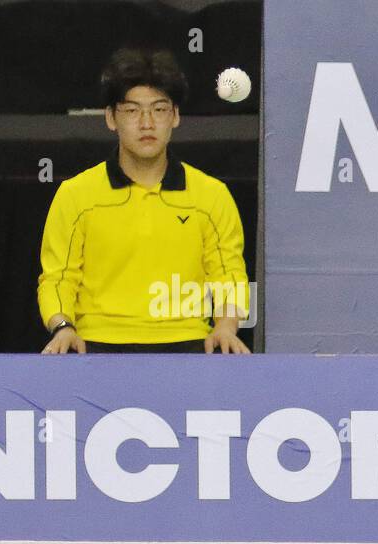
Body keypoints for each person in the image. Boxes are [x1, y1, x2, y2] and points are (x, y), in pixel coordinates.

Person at [37, 48, 251, 355]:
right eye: (132, 111)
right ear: (111, 117)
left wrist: (226, 327)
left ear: (175, 116)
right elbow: (58, 276)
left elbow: (228, 272)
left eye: (159, 110)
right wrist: (63, 327)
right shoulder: (76, 195)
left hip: (187, 342)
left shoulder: (211, 195)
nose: (147, 123)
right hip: (97, 344)